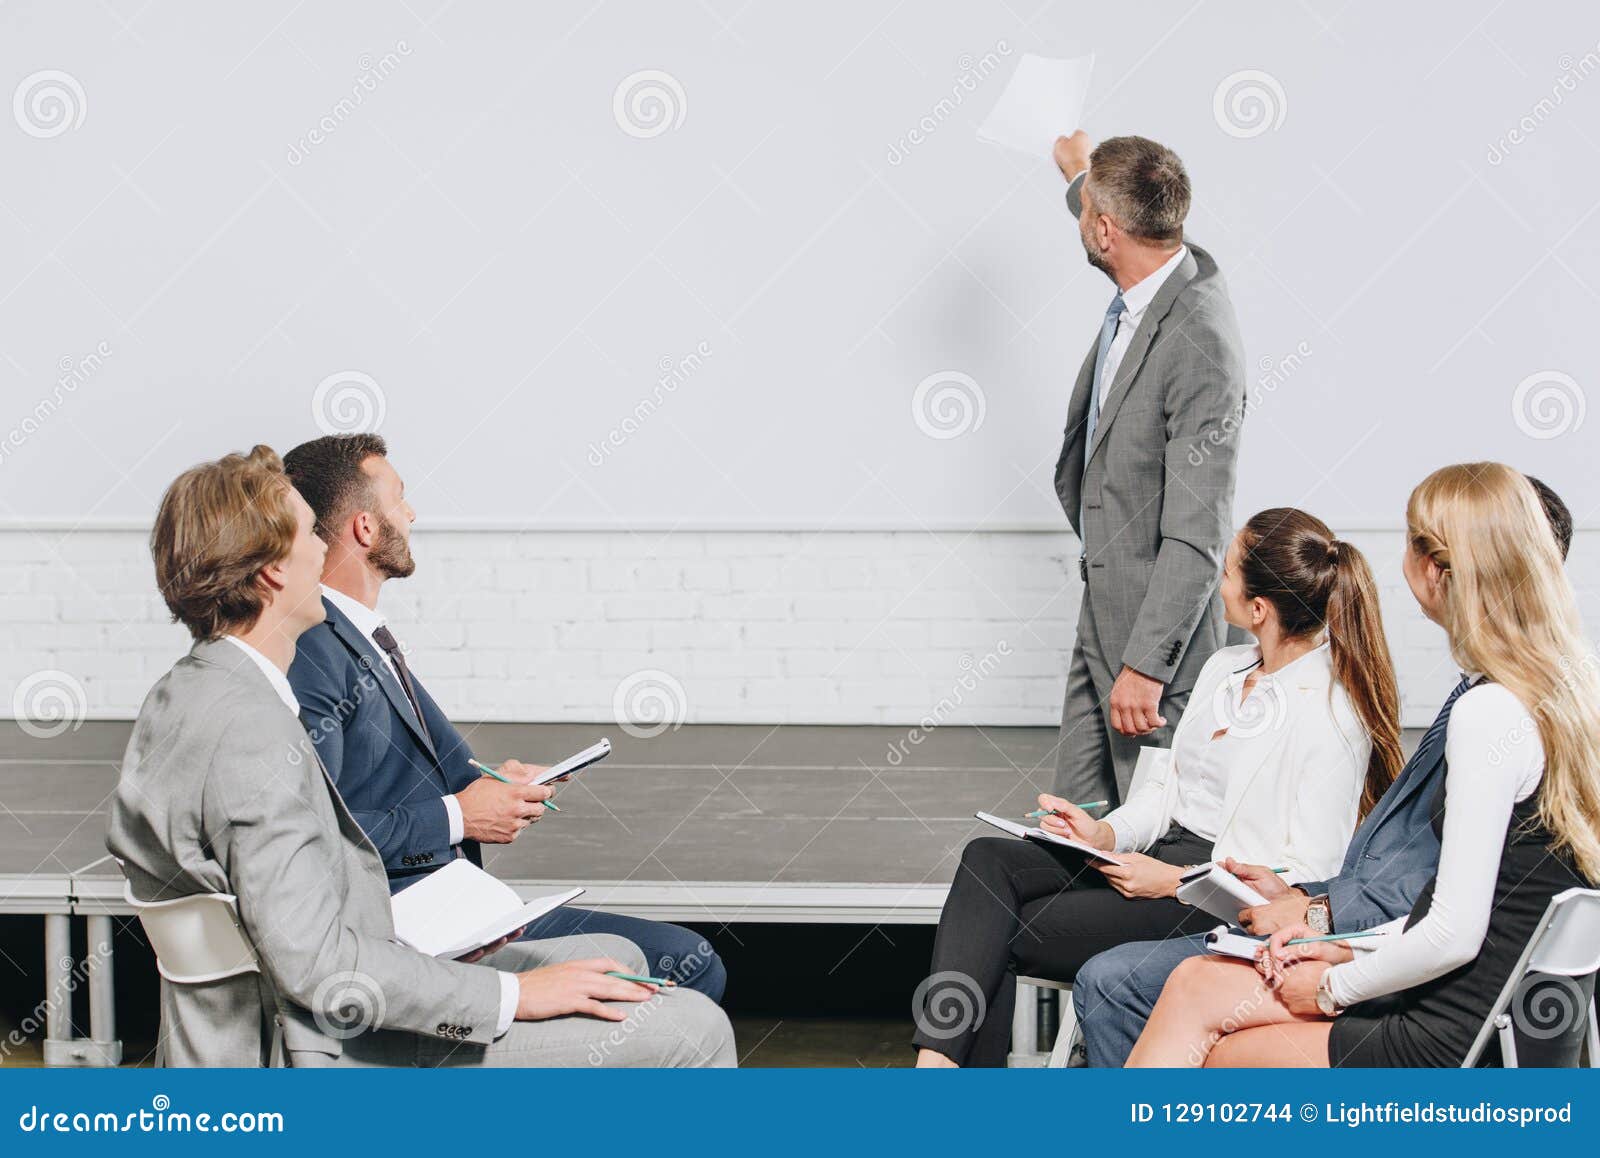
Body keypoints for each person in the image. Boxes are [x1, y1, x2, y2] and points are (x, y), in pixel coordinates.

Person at [107, 445, 735, 1067]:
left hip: (278, 1011)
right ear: (273, 569)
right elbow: (321, 968)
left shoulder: (183, 694)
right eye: (308, 535)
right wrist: (513, 994)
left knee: (619, 965)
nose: (326, 550)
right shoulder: (253, 732)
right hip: (322, 1043)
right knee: (694, 1029)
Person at [1073, 472, 1576, 1066]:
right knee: (1193, 989)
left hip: (1443, 1017)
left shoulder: (1487, 711)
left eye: (1412, 539)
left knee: (1192, 1011)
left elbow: (1452, 929)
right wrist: (1319, 924)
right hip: (1482, 998)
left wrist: (1333, 979)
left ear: (1438, 571)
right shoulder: (1550, 691)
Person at [912, 508, 1400, 1067]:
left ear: (1259, 609)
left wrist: (1172, 883)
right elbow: (1170, 787)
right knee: (986, 860)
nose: (1218, 582)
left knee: (993, 932)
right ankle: (939, 1075)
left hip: (1214, 898)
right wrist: (1104, 831)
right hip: (1155, 857)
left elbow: (1311, 872)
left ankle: (944, 1089)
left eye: (1229, 572)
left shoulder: (1334, 713)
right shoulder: (1225, 667)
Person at [282, 434, 726, 1001]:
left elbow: (442, 773)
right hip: (405, 927)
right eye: (399, 499)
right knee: (690, 962)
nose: (412, 512)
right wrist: (461, 817)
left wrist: (500, 788)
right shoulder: (314, 650)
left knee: (684, 959)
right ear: (366, 528)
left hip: (456, 902)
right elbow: (320, 833)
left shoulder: (366, 638)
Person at [1048, 130, 1247, 806]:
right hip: (1100, 617)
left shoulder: (1200, 345)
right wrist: (1078, 171)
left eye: (1086, 212)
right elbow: (1107, 206)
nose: (1082, 222)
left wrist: (1145, 667)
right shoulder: (1155, 262)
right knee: (1072, 828)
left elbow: (1199, 529)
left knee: (1158, 846)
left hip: (1151, 657)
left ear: (1105, 232)